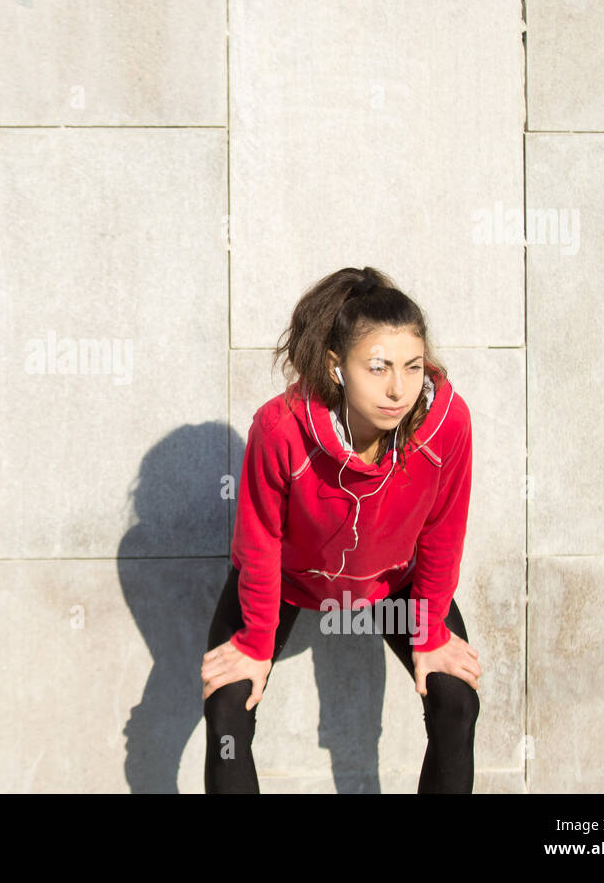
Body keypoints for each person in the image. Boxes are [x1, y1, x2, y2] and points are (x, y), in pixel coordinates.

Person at [201, 266, 482, 793]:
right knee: (227, 711)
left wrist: (430, 631)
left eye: (412, 367)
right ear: (337, 368)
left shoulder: (448, 425)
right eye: (377, 368)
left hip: (393, 584)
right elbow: (258, 542)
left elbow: (444, 530)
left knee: (457, 700)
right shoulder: (280, 428)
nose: (399, 388)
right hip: (284, 582)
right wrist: (256, 644)